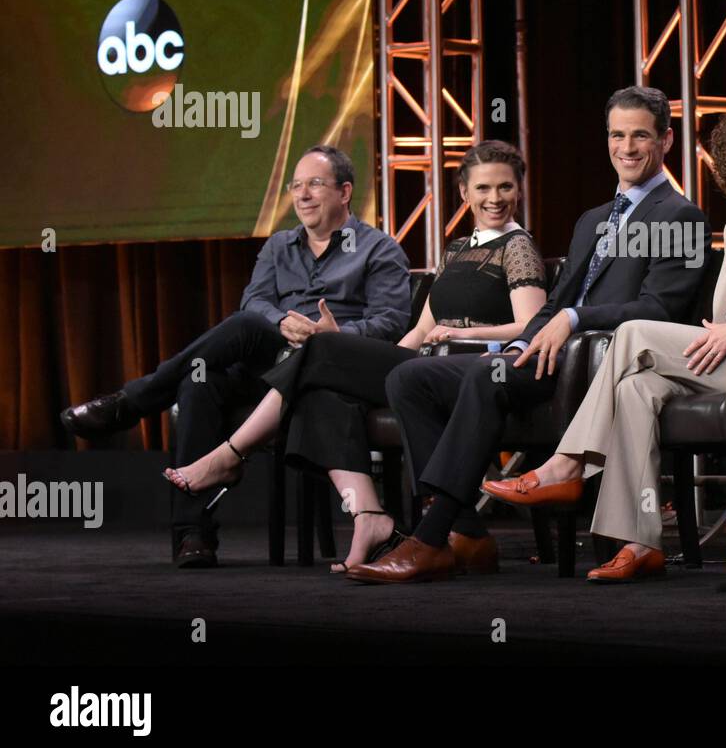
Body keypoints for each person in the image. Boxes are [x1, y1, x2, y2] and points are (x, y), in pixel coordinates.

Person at [343, 85, 710, 584]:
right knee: (409, 379)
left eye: (640, 135)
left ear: (666, 140)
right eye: (617, 134)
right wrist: (522, 341)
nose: (626, 147)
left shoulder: (681, 215)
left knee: (483, 379)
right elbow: (556, 303)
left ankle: (429, 538)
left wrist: (575, 321)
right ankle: (467, 532)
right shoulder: (593, 220)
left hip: (600, 368)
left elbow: (659, 309)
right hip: (539, 358)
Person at [482, 103, 726, 583]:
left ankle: (567, 464)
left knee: (629, 334)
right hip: (724, 356)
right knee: (635, 389)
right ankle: (641, 543)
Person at [161, 140, 547, 572]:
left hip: (471, 366)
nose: (494, 199)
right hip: (422, 363)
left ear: (520, 191)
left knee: (322, 347)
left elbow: (530, 327)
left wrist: (460, 331)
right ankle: (372, 517)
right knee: (322, 374)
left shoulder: (518, 246)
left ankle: (230, 454)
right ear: (464, 192)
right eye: (483, 188)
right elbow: (419, 330)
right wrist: (371, 363)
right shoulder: (457, 249)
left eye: (505, 188)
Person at [60, 145, 412, 567]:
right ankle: (194, 535)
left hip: (334, 368)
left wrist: (336, 334)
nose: (302, 195)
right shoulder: (279, 246)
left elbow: (391, 321)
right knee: (207, 371)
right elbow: (255, 300)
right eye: (296, 185)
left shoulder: (379, 249)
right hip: (272, 362)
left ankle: (134, 404)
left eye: (315, 184)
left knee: (221, 356)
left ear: (345, 191)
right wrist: (282, 322)